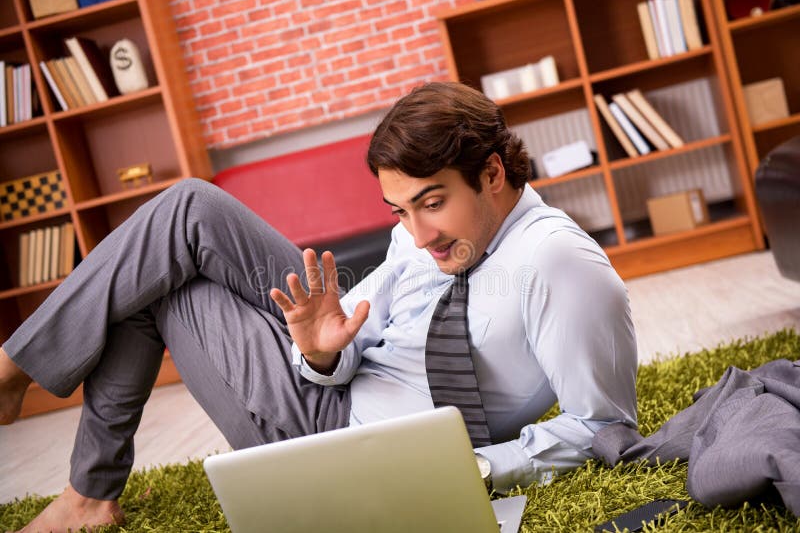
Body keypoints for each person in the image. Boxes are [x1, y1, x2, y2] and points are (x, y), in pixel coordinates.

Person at [0, 82, 637, 532]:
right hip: (332, 379)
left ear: (492, 173)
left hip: (342, 438)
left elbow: (602, 426)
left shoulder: (558, 264)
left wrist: (468, 468)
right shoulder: (424, 236)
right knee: (188, 214)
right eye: (400, 212)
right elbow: (356, 327)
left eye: (432, 203)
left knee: (157, 284)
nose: (417, 235)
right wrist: (321, 352)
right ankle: (44, 417)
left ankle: (73, 468)